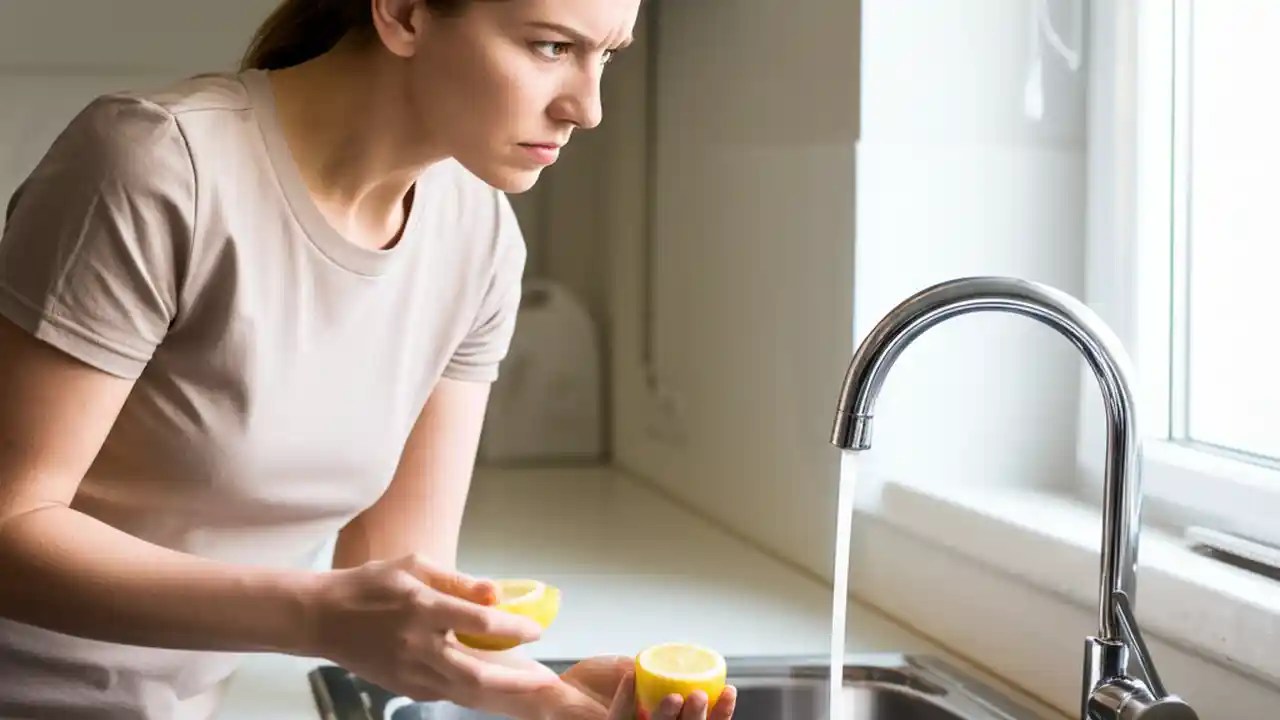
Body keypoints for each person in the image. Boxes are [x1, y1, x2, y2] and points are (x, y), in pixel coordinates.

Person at [0, 1, 739, 719]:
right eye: (551, 47)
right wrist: (315, 617)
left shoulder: (478, 240)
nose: (587, 108)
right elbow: (12, 525)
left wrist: (540, 696)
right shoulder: (158, 166)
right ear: (405, 14)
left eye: (607, 55)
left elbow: (394, 574)